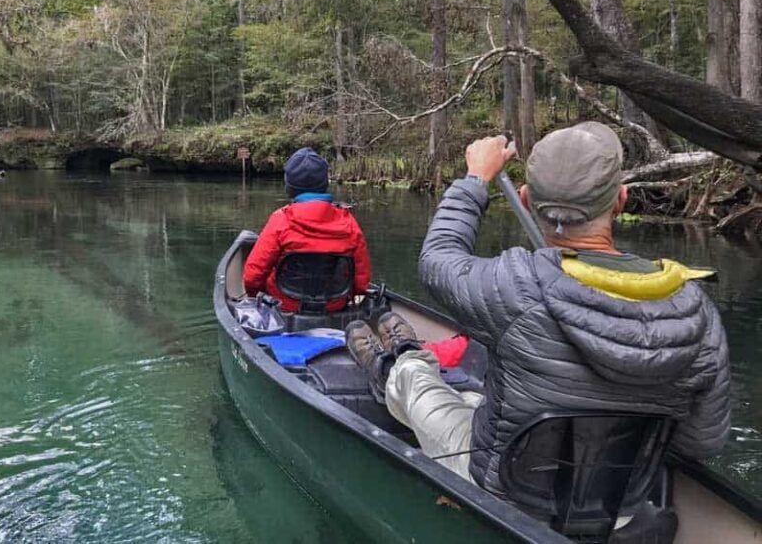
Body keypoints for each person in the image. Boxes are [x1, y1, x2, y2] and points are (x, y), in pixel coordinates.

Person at [347, 122, 731, 495]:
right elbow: (700, 443)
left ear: (526, 199)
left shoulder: (513, 285)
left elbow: (437, 259)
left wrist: (476, 178)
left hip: (502, 489)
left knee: (414, 377)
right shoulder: (697, 310)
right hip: (622, 502)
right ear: (621, 200)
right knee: (474, 401)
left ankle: (396, 365)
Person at [244, 147, 371, 313]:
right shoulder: (349, 223)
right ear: (324, 184)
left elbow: (252, 277)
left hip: (285, 306)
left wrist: (256, 296)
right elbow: (361, 282)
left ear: (290, 186)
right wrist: (348, 299)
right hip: (333, 306)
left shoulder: (280, 220)